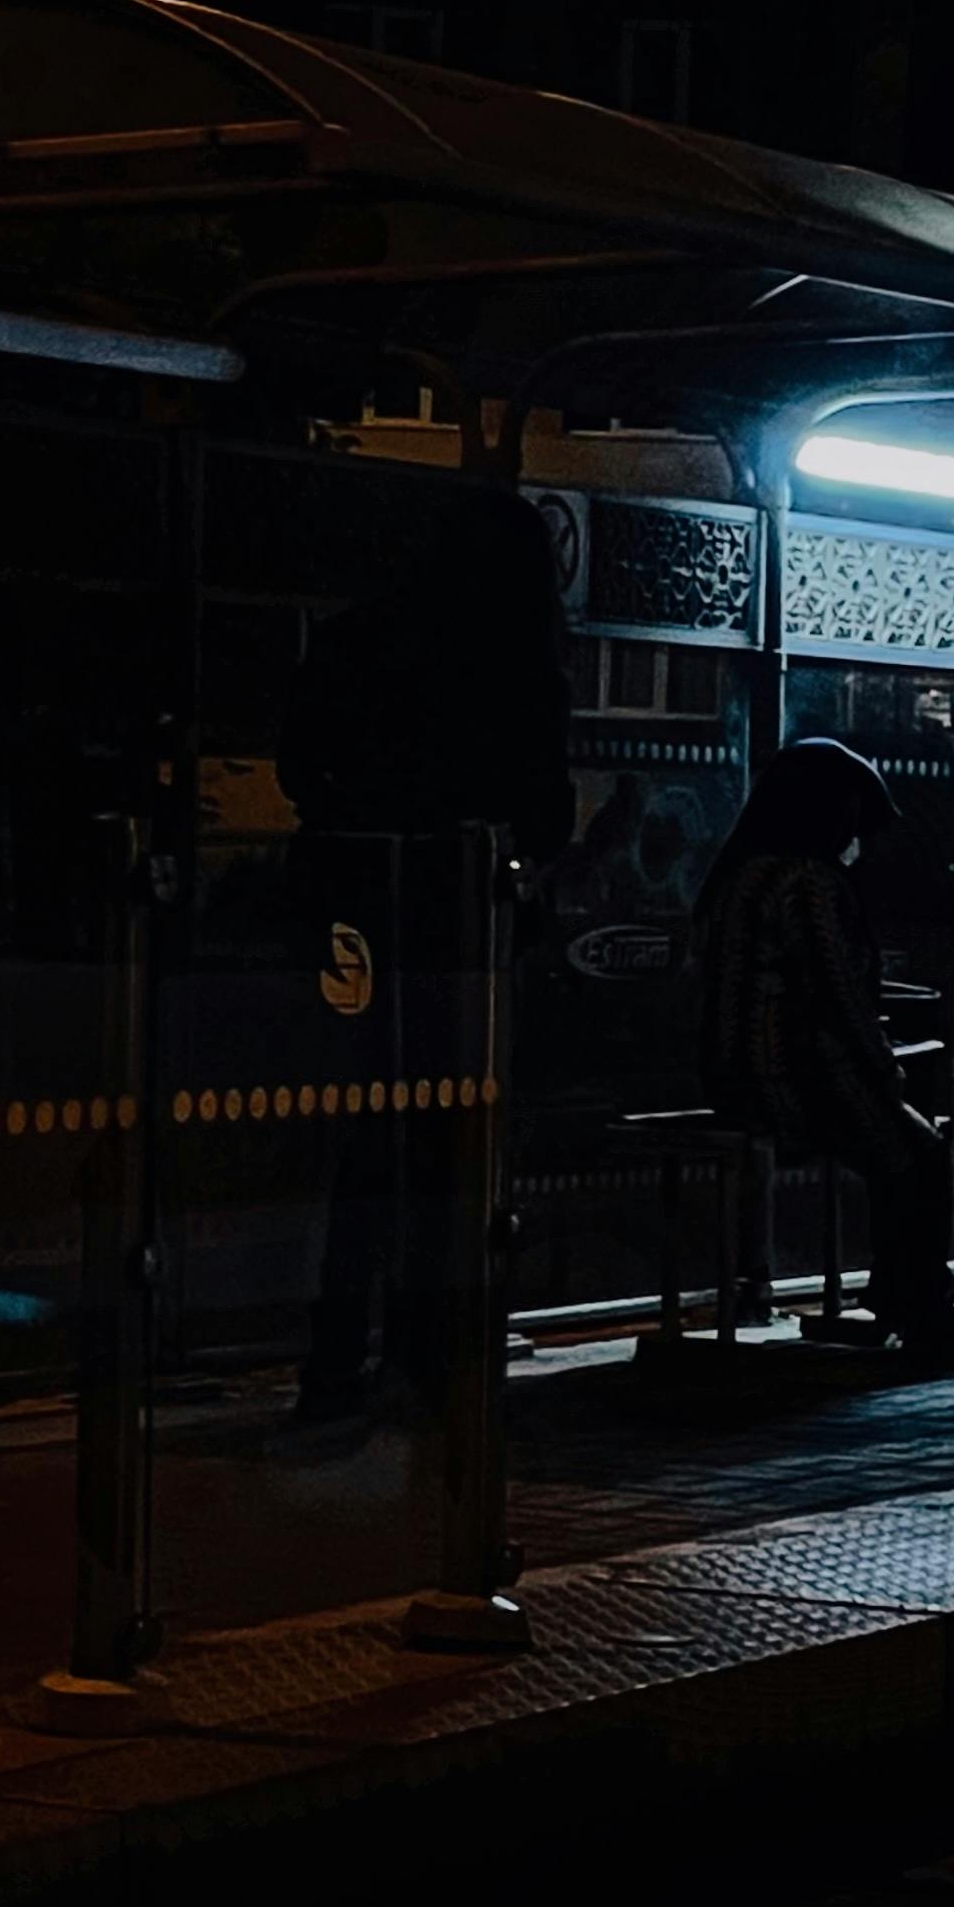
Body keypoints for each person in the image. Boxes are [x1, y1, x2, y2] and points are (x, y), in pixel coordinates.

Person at [276, 491, 573, 1434]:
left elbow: (300, 765)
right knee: (457, 1149)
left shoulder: (357, 640)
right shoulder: (517, 662)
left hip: (356, 919)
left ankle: (336, 1359)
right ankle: (433, 1349)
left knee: (367, 1144)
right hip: (461, 928)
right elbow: (544, 805)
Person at [695, 737, 954, 1374]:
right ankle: (921, 1313)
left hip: (732, 1069)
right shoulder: (806, 881)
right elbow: (832, 989)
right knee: (920, 1155)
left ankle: (900, 1297)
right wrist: (883, 1064)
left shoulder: (741, 872)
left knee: (904, 1153)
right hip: (788, 1073)